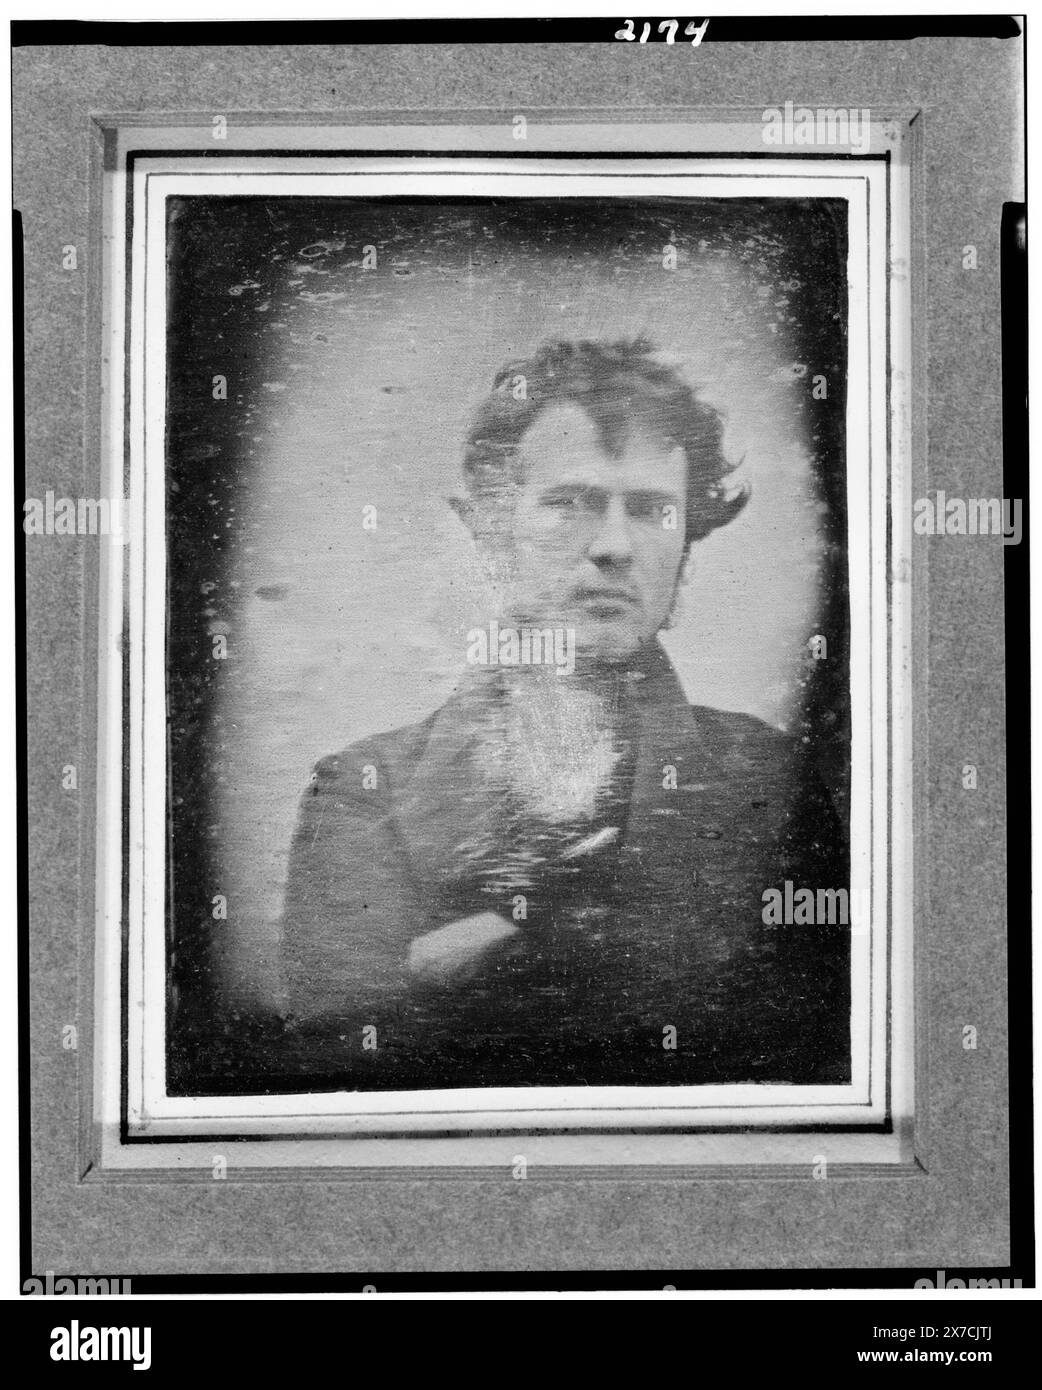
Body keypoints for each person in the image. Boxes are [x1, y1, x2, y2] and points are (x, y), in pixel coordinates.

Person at [280, 338, 850, 1088]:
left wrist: (502, 938)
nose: (613, 546)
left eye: (651, 510)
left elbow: (805, 1056)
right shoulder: (363, 793)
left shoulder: (774, 782)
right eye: (569, 503)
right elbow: (338, 1068)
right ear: (488, 529)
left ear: (686, 544)